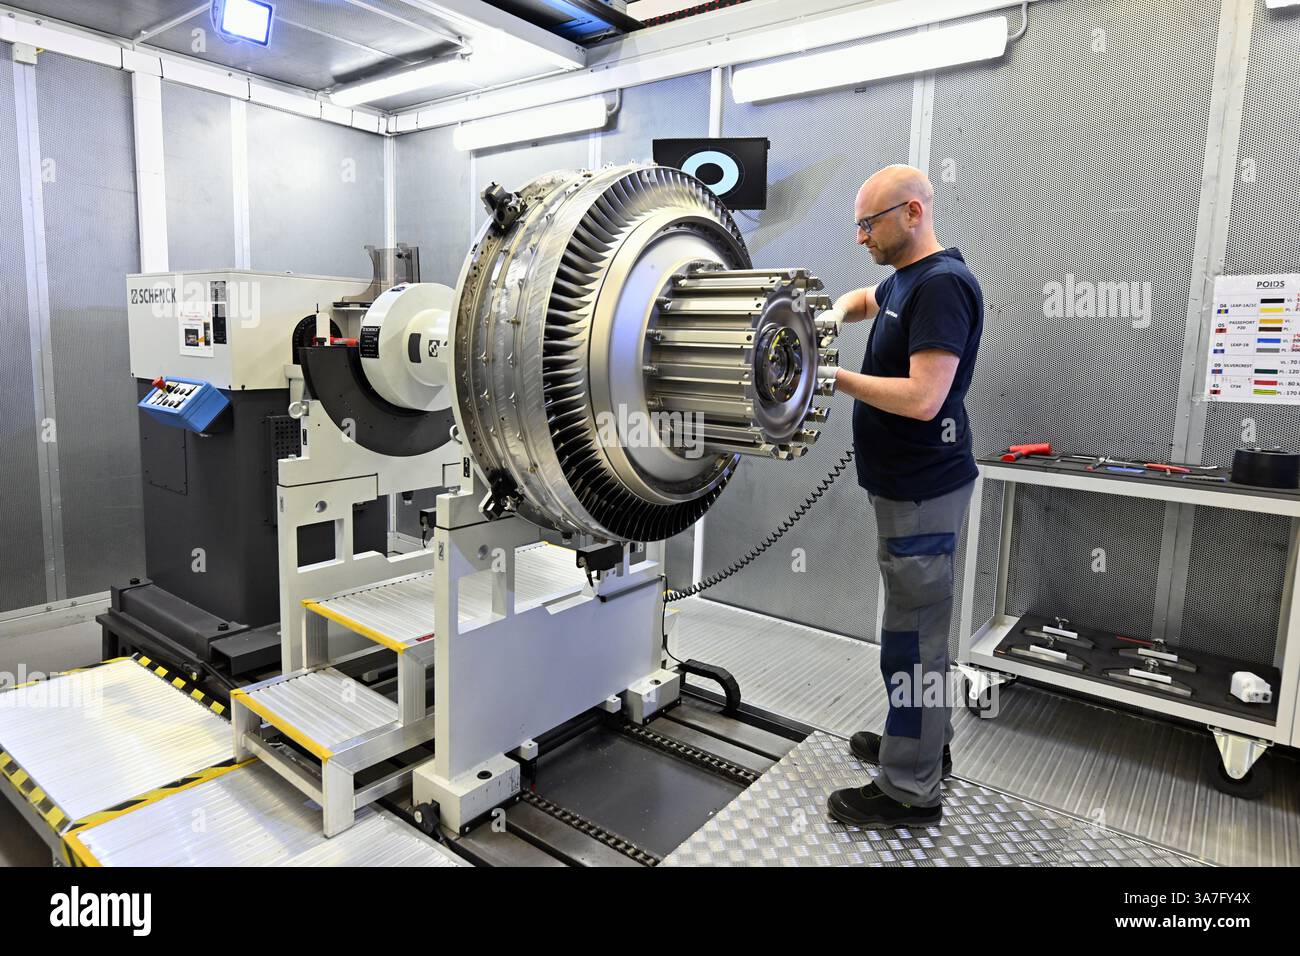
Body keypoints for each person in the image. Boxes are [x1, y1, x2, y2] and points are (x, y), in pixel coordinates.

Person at [823, 164, 984, 828]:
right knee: (917, 634)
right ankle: (919, 745)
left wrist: (831, 376)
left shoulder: (942, 286)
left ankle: (910, 789)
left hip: (921, 490)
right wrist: (831, 313)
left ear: (912, 214)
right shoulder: (909, 278)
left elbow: (924, 400)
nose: (861, 236)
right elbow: (870, 297)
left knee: (913, 641)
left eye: (870, 223)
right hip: (904, 488)